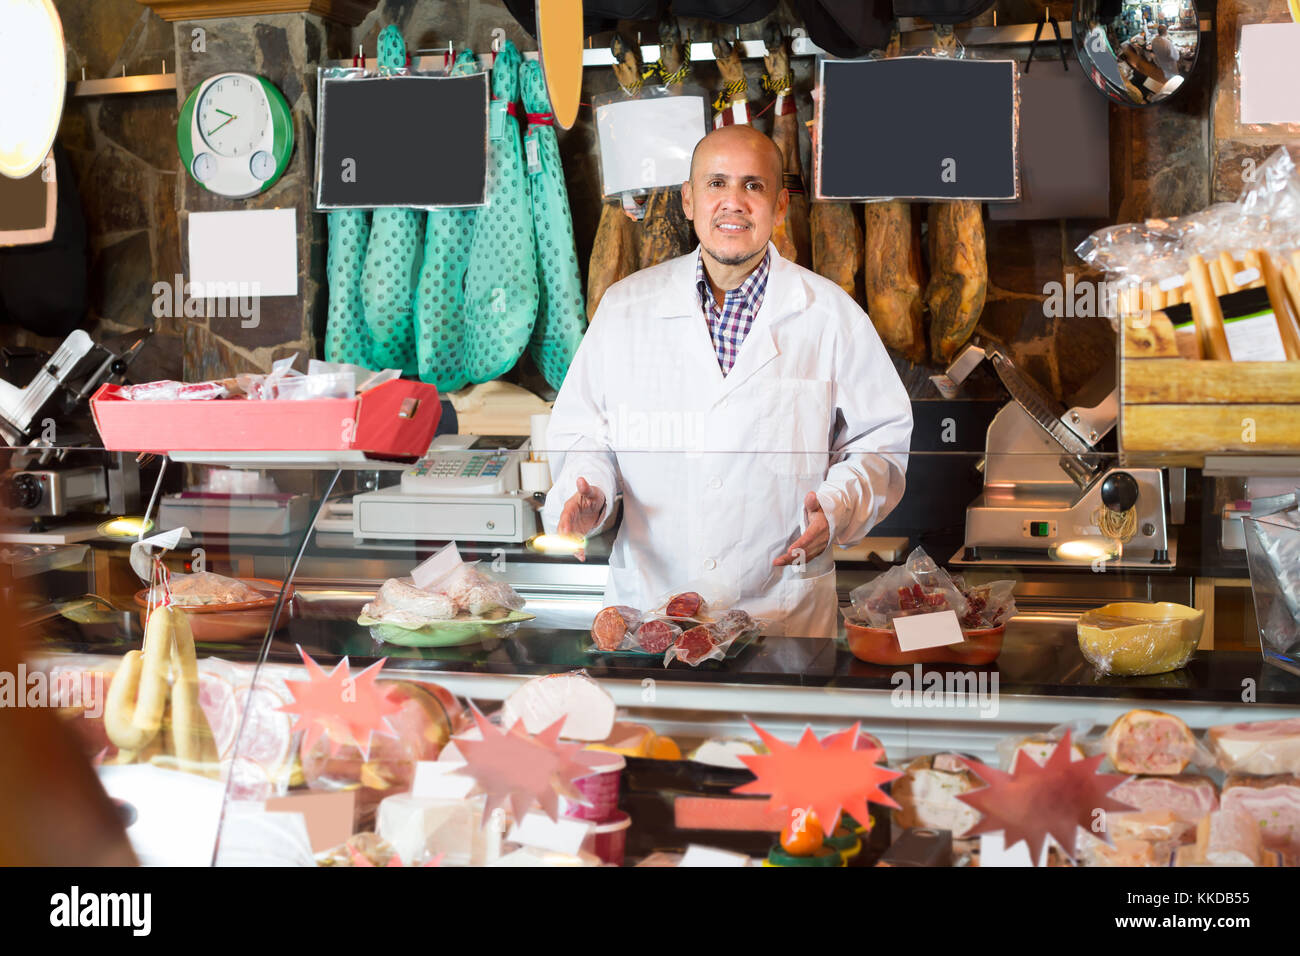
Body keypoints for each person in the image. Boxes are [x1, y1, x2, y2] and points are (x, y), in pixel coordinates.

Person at [541, 124, 912, 638]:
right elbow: (584, 434)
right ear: (689, 201)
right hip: (652, 613)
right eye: (716, 184)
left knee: (772, 722)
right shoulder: (625, 307)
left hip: (781, 617)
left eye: (752, 186)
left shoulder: (830, 314)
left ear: (781, 206)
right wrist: (590, 494)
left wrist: (838, 504)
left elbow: (882, 440)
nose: (733, 202)